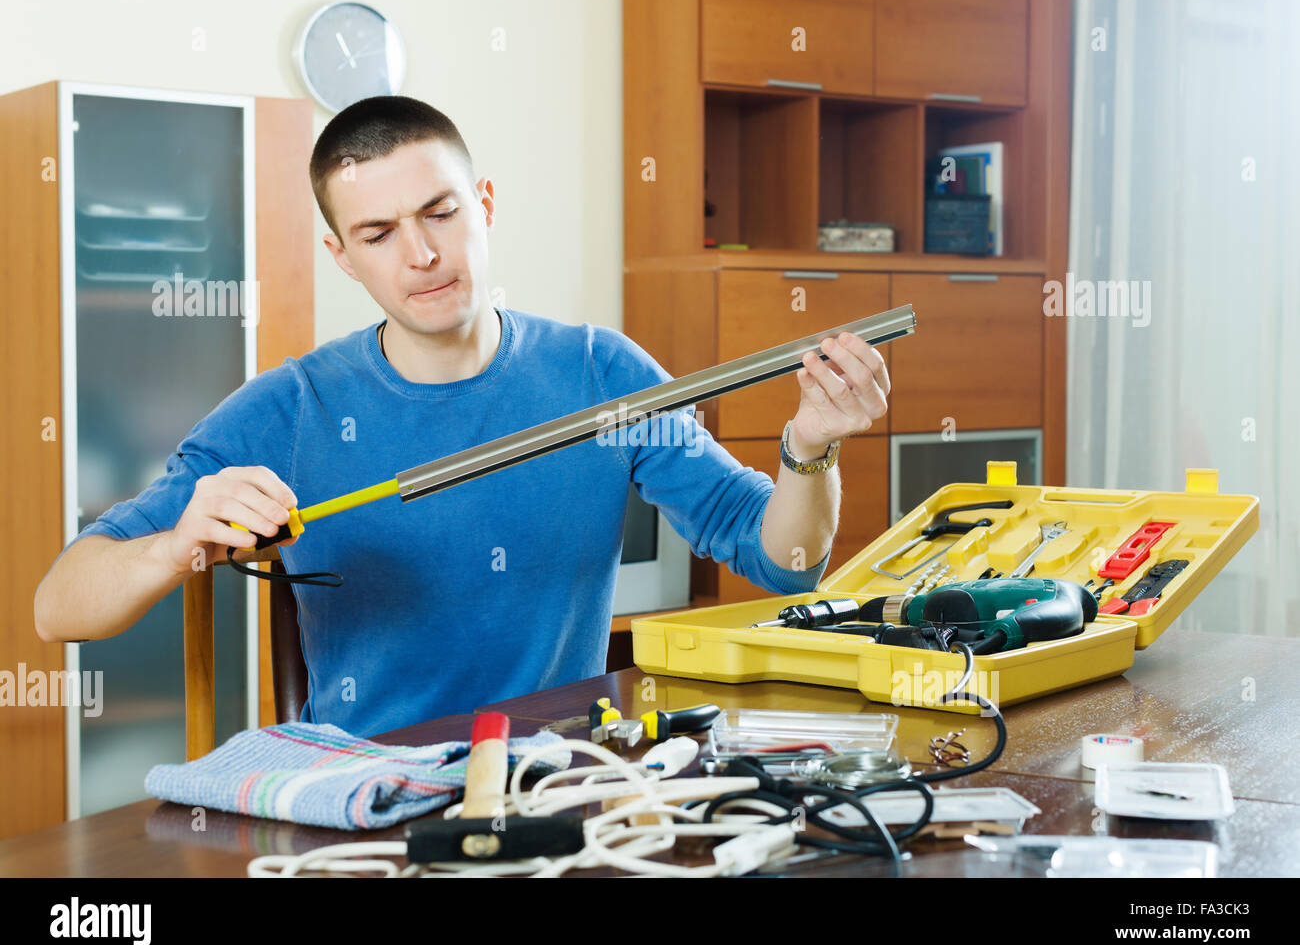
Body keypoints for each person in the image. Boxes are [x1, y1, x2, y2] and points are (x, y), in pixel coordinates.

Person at [34, 96, 890, 737]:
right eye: (378, 233)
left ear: (483, 203)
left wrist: (810, 447)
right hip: (364, 799)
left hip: (559, 783)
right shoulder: (287, 410)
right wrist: (177, 539)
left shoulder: (601, 371)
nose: (423, 254)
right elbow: (59, 608)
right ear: (341, 256)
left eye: (440, 212)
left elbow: (785, 564)